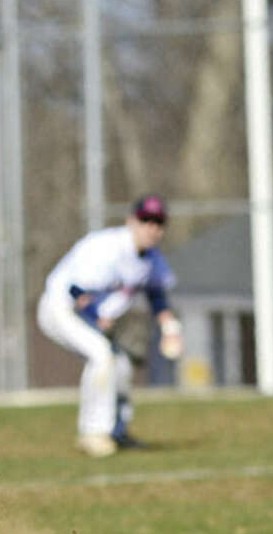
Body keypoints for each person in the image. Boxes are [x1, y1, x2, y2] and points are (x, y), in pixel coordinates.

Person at [36, 194, 182, 458]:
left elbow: (157, 295)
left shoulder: (152, 259)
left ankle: (117, 431)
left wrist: (169, 328)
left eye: (158, 222)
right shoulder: (108, 248)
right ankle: (93, 433)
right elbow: (76, 289)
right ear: (131, 221)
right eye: (146, 220)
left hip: (91, 316)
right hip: (60, 308)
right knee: (101, 355)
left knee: (122, 366)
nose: (152, 228)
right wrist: (97, 316)